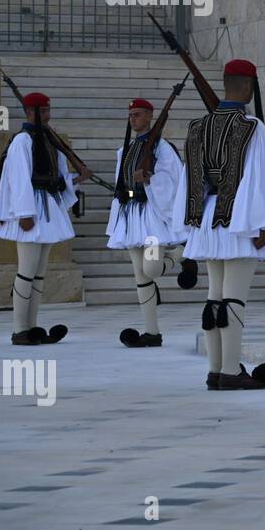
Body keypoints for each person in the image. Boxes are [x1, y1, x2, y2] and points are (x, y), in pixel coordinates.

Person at [172, 59, 265, 390]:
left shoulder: (197, 127)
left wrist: (189, 223)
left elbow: (189, 179)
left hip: (207, 219)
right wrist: (262, 222)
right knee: (234, 297)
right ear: (250, 87)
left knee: (214, 296)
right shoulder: (252, 127)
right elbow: (260, 177)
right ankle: (231, 371)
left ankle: (215, 369)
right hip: (240, 218)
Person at [0, 91, 92, 345]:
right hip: (31, 210)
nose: (48, 115)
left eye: (49, 110)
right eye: (44, 111)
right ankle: (19, 329)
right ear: (30, 113)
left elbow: (55, 178)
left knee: (38, 273)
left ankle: (32, 326)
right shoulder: (22, 141)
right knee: (26, 271)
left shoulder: (48, 140)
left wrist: (74, 179)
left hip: (48, 208)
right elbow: (18, 179)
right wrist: (24, 214)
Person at [106, 97, 198, 348]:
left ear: (150, 116)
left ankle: (181, 255)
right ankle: (152, 332)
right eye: (131, 115)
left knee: (152, 269)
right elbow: (120, 184)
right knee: (141, 275)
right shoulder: (125, 149)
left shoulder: (162, 148)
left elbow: (175, 181)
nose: (133, 119)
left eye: (138, 114)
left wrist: (149, 180)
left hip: (151, 214)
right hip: (132, 215)